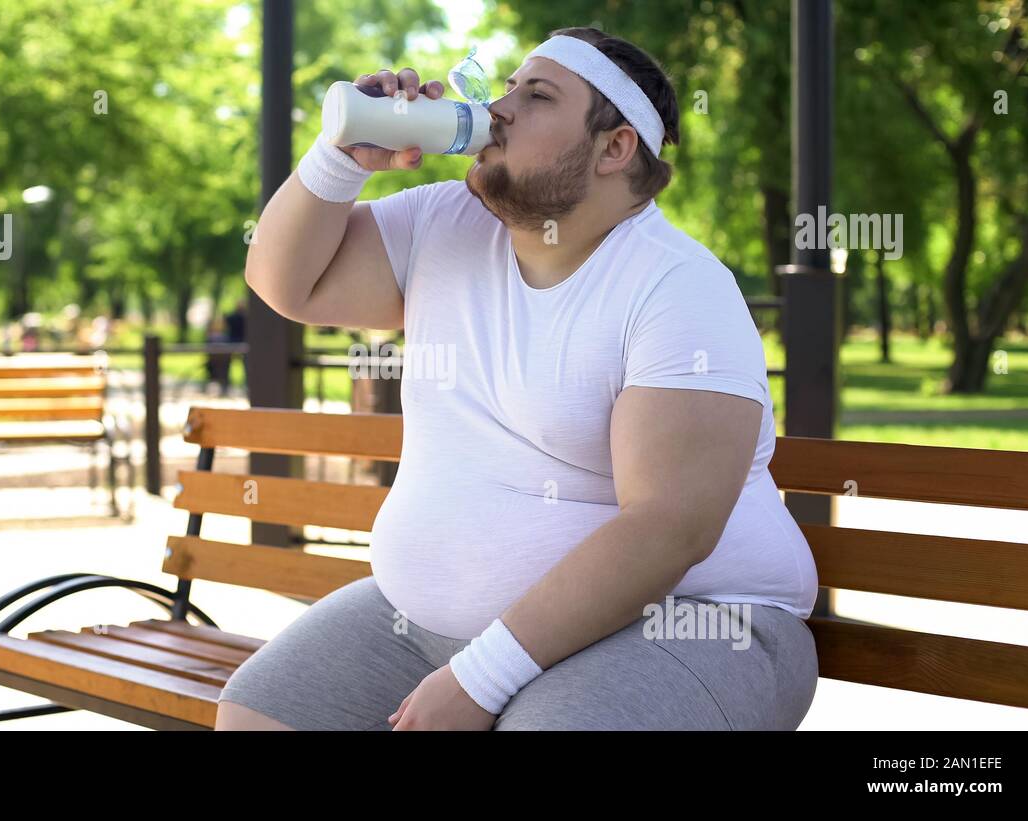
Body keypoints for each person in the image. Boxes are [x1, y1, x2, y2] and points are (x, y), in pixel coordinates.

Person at [226, 26, 819, 731]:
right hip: (428, 624)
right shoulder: (444, 222)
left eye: (535, 96)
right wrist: (339, 160)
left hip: (687, 624)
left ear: (614, 147)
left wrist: (481, 678)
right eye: (507, 87)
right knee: (259, 713)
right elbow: (282, 282)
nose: (500, 108)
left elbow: (669, 527)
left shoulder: (677, 287)